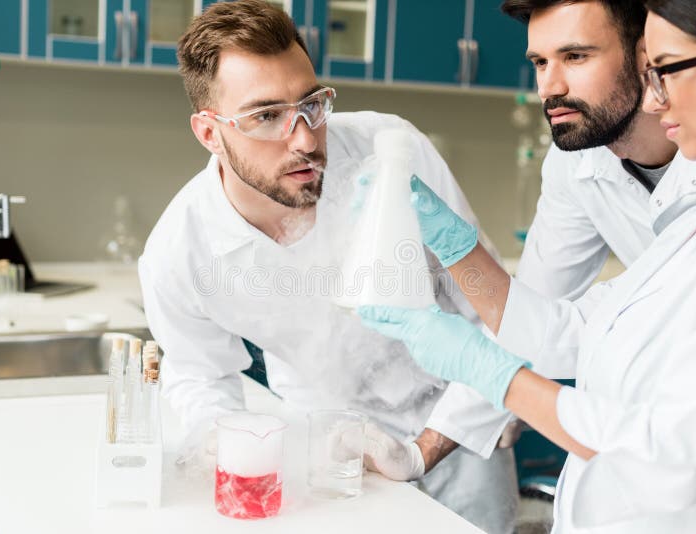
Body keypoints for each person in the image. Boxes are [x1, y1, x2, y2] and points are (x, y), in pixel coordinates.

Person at [360, 0, 696, 531]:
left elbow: (673, 454)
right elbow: (543, 324)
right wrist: (454, 248)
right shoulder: (592, 169)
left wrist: (491, 371)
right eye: (540, 62)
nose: (549, 87)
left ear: (643, 57)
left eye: (576, 56)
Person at [138, 1, 517, 531]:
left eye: (312, 105)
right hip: (327, 452)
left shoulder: (391, 154)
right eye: (266, 115)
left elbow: (494, 313)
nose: (304, 138)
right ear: (208, 132)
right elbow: (200, 371)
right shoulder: (180, 251)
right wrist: (221, 443)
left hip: (458, 429)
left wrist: (426, 448)